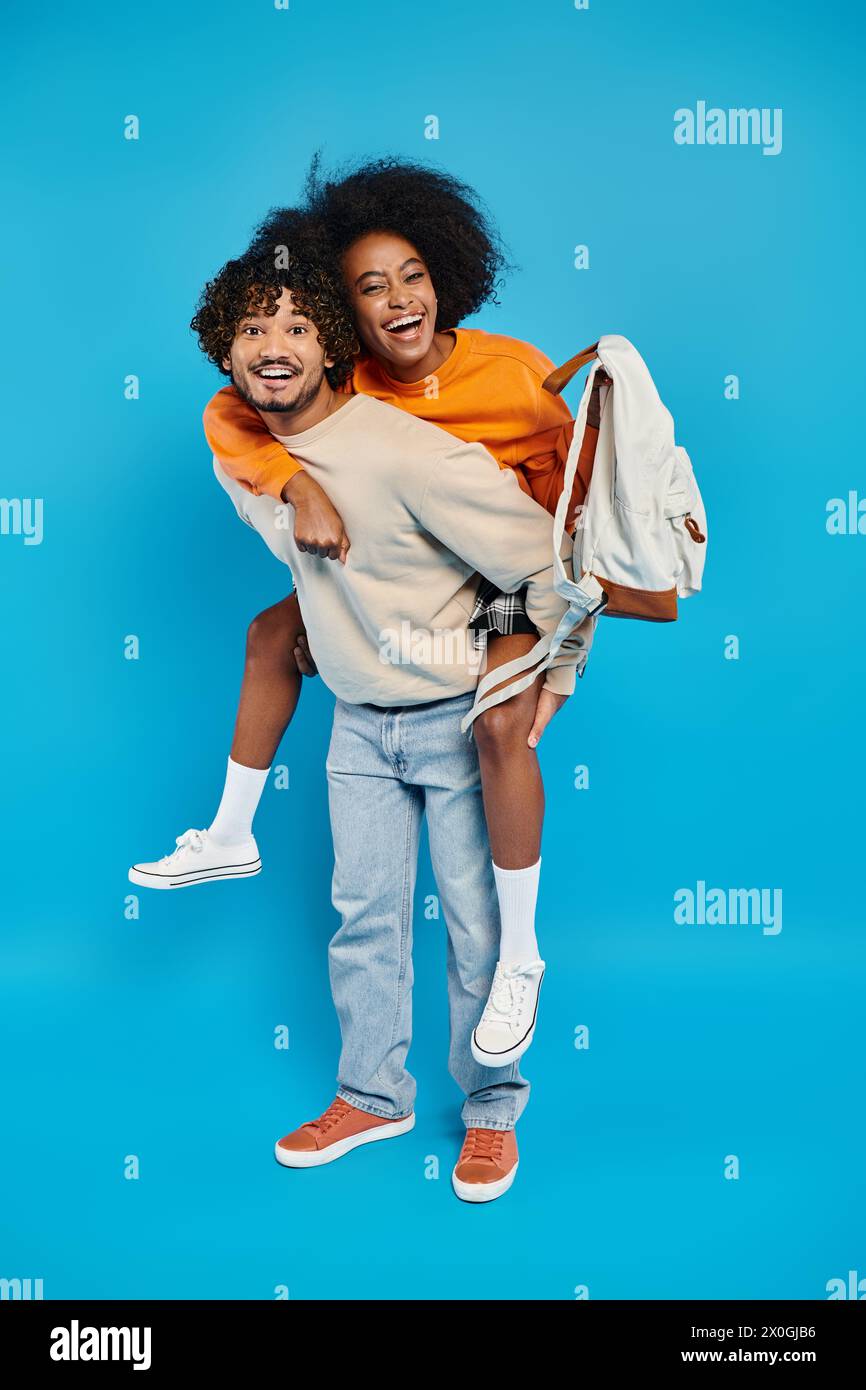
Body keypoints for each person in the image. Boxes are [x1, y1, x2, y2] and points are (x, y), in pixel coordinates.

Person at [132, 159, 604, 1068]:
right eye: (367, 289)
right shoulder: (349, 376)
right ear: (345, 315)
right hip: (396, 593)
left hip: (504, 578)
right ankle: (236, 839)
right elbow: (236, 415)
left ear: (446, 276)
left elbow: (560, 520)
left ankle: (518, 972)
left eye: (412, 277)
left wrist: (562, 643)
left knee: (503, 727)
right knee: (274, 633)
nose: (396, 301)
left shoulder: (512, 377)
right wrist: (297, 482)